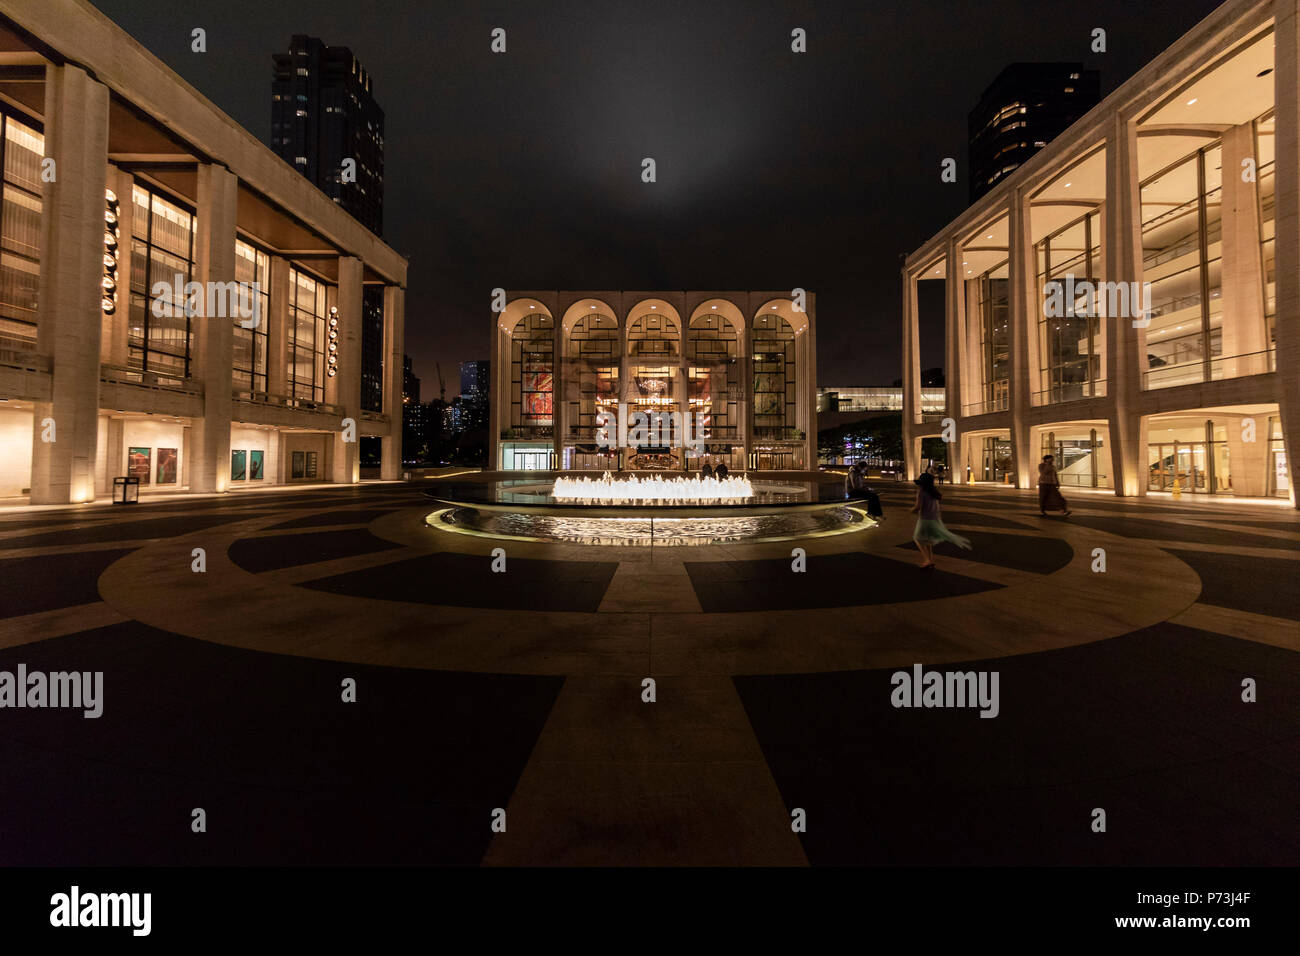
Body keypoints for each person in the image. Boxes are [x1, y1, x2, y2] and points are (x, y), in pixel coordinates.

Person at [910, 471, 971, 569]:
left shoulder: (921, 492)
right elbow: (937, 507)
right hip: (935, 519)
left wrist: (911, 510)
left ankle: (927, 560)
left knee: (918, 539)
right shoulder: (934, 492)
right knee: (928, 541)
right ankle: (930, 559)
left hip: (925, 519)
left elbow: (918, 506)